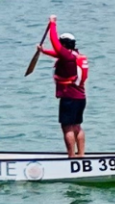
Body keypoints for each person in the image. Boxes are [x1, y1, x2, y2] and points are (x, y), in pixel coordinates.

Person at [38, 15, 89, 157]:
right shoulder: (75, 55)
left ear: (65, 45)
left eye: (61, 44)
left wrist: (52, 23)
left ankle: (71, 157)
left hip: (69, 98)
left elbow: (54, 42)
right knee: (77, 126)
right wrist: (43, 51)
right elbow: (57, 53)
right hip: (81, 98)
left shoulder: (67, 56)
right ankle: (81, 155)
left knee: (67, 128)